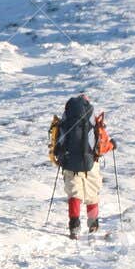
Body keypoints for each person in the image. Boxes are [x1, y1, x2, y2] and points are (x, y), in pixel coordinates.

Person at [49, 93, 115, 238]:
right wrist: (112, 145)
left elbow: (57, 143)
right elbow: (101, 144)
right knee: (92, 193)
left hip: (69, 162)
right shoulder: (92, 121)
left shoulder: (65, 121)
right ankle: (93, 224)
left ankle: (74, 225)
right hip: (91, 163)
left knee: (74, 193)